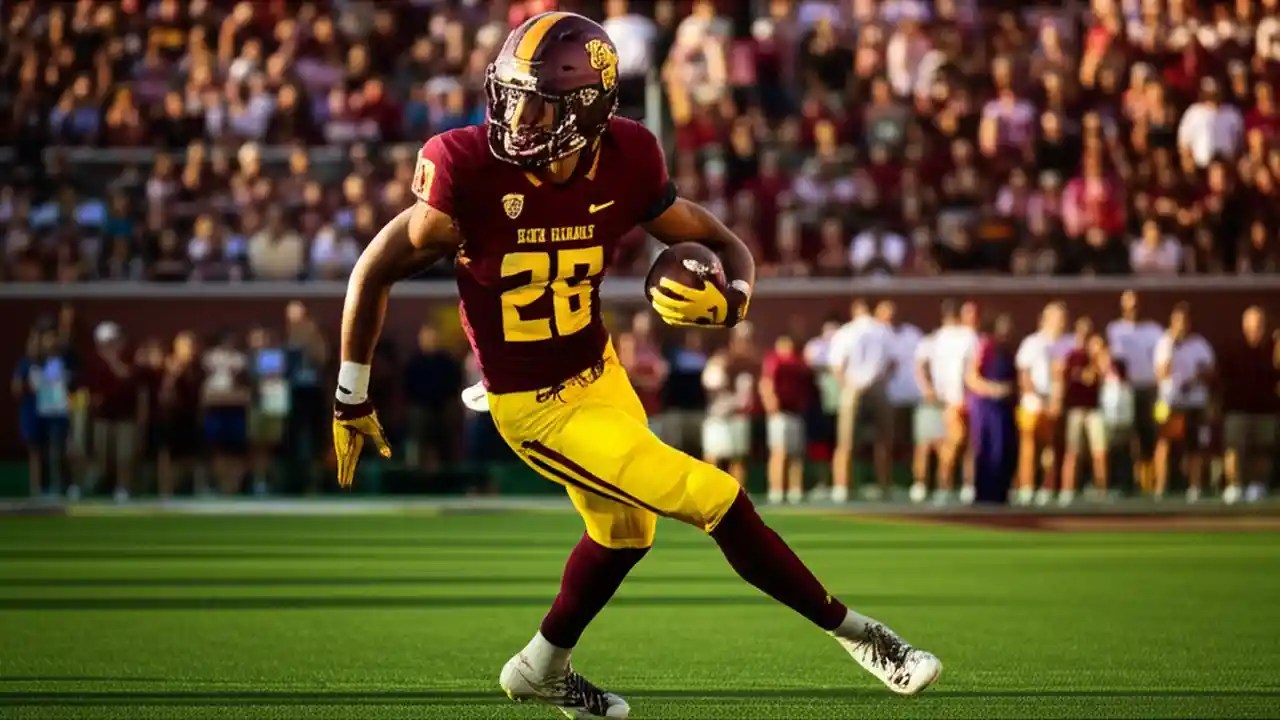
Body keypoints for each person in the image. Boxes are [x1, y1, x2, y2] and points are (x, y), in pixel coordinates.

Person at [330, 13, 939, 719]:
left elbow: (723, 241)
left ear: (588, 109)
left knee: (626, 531)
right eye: (511, 95)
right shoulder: (466, 166)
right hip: (535, 406)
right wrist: (352, 394)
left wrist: (734, 299)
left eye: (539, 102)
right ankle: (862, 636)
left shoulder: (629, 157)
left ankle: (539, 669)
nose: (515, 116)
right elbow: (372, 270)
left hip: (602, 371)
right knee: (712, 497)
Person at [830, 300, 895, 501]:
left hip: (853, 386)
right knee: (883, 441)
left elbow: (837, 366)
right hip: (877, 386)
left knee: (845, 441)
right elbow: (893, 363)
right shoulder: (883, 331)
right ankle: (883, 485)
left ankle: (842, 486)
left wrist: (846, 386)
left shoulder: (846, 332)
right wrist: (881, 381)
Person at [1153, 303, 1216, 502]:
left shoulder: (1200, 344)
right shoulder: (1164, 342)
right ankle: (1160, 488)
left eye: (1184, 321)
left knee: (1194, 446)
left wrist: (1198, 374)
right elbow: (1161, 373)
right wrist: (1173, 348)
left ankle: (1194, 487)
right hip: (1169, 402)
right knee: (1165, 443)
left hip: (1194, 402)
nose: (1181, 325)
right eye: (1177, 321)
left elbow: (1211, 371)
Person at [1218, 306, 1279, 504]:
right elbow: (1222, 377)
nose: (1255, 329)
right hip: (1237, 408)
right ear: (1244, 326)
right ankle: (1234, 486)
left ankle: (1257, 486)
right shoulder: (1233, 347)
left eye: (1259, 325)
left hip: (1265, 409)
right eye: (1252, 325)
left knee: (1262, 449)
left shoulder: (1272, 348)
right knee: (1234, 448)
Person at [1105, 291, 1163, 494]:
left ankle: (1148, 484)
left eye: (1135, 305)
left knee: (1148, 437)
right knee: (1122, 439)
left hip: (1148, 389)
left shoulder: (1153, 330)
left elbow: (1161, 359)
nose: (1132, 310)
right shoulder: (1115, 329)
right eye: (1127, 305)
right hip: (1123, 392)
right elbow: (1115, 359)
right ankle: (1124, 483)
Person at [1013, 302, 1071, 505]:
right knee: (1029, 446)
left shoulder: (1068, 343)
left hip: (1056, 403)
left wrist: (1056, 400)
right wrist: (1040, 398)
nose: (1061, 322)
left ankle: (1048, 487)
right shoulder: (1032, 343)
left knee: (1052, 448)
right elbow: (1024, 375)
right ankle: (1026, 486)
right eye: (1057, 318)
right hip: (1033, 403)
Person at [965, 314, 1017, 504]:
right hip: (986, 407)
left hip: (1004, 408)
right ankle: (983, 494)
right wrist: (992, 390)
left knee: (1004, 448)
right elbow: (971, 377)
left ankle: (1001, 493)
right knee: (986, 448)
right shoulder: (984, 347)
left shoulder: (1008, 351)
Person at [1056, 320, 1108, 505]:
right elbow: (1066, 378)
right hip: (1075, 409)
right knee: (1073, 452)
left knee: (1099, 452)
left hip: (1094, 409)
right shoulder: (1071, 356)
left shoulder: (1097, 355)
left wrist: (1096, 356)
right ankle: (1067, 490)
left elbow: (1100, 376)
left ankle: (1102, 490)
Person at [759, 334, 814, 504]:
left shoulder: (799, 363)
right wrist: (770, 404)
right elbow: (766, 383)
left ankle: (795, 489)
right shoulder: (774, 361)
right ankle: (776, 489)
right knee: (779, 452)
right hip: (780, 413)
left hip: (796, 412)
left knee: (796, 454)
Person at [403, 323, 463, 474]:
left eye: (433, 336)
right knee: (417, 427)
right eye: (427, 337)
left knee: (447, 432)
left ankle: (448, 473)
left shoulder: (447, 362)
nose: (430, 340)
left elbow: (455, 383)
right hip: (421, 407)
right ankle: (413, 472)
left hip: (443, 407)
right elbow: (408, 387)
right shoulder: (414, 362)